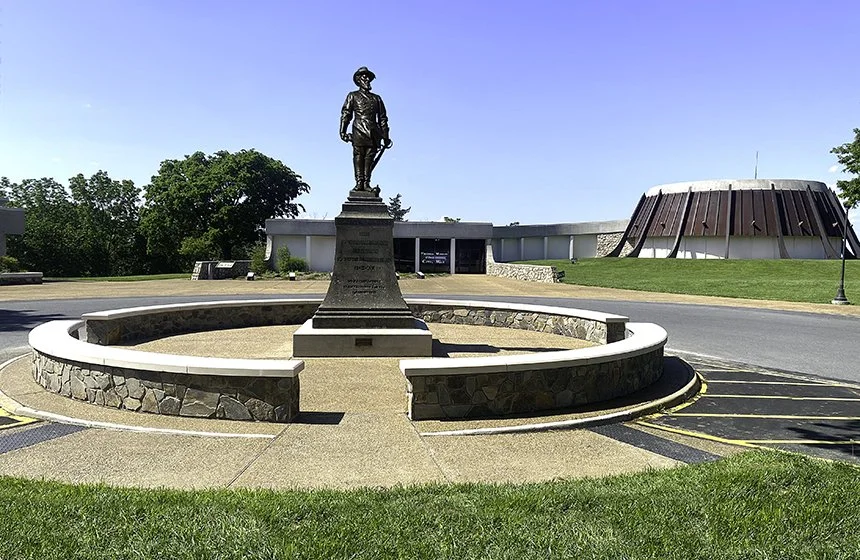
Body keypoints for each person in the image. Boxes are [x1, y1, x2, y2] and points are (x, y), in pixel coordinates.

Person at [340, 67, 393, 193]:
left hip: (374, 132)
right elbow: (346, 114)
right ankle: (359, 182)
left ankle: (366, 183)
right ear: (358, 80)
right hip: (358, 129)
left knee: (369, 158)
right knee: (358, 156)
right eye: (364, 77)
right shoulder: (352, 96)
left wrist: (385, 136)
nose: (367, 79)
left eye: (368, 77)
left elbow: (383, 118)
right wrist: (342, 131)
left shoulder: (377, 98)